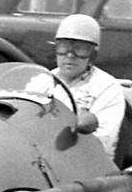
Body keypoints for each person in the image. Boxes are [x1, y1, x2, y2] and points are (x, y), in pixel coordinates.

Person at [50, 14, 125, 161]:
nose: (70, 55)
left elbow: (103, 141)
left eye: (80, 49)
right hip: (42, 159)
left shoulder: (107, 87)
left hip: (87, 164)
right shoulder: (43, 81)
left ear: (92, 55)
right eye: (64, 47)